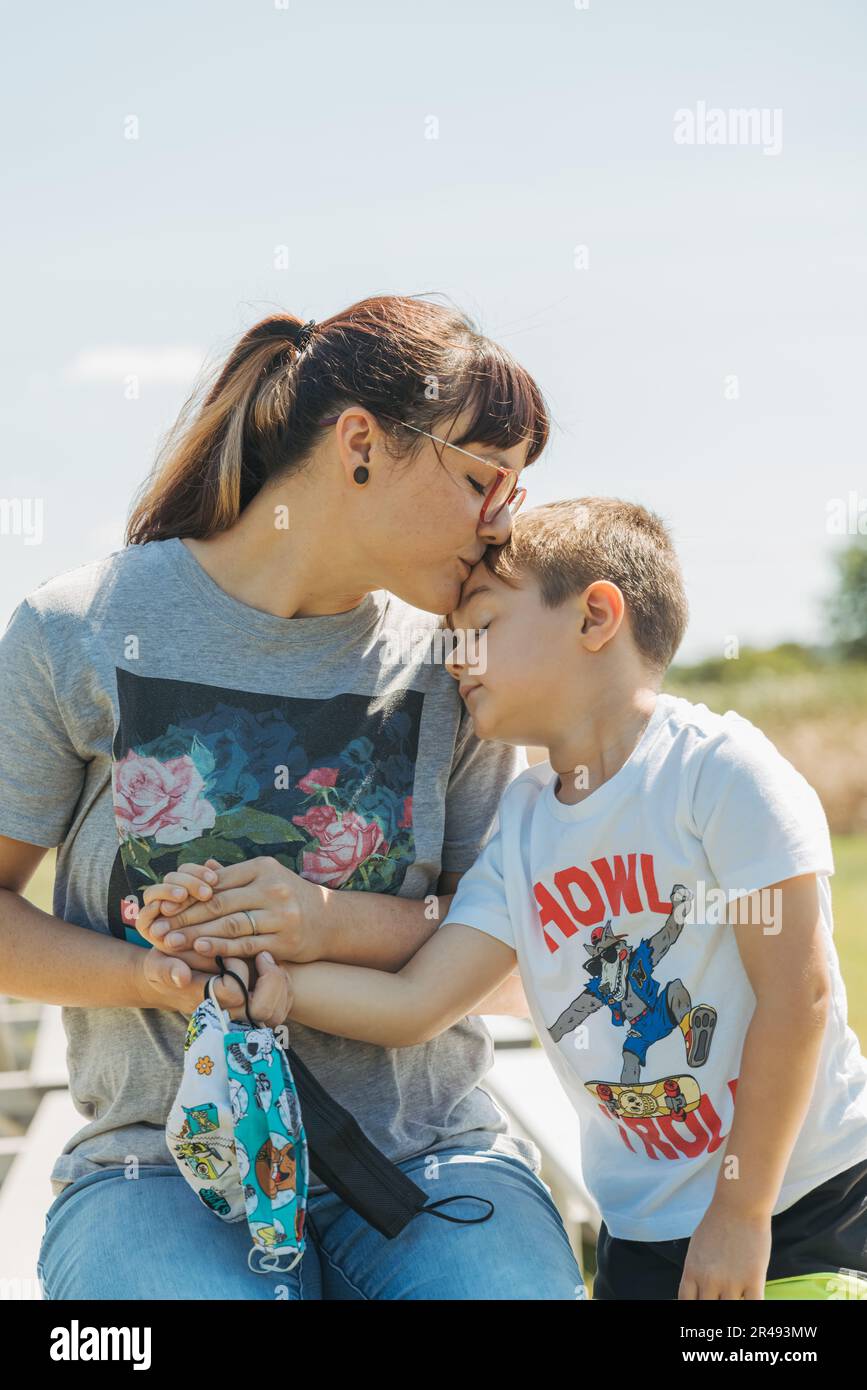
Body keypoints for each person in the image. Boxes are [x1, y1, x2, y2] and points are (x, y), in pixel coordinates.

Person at [0, 296, 586, 1300]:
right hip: (157, 1171)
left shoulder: (462, 666)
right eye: (488, 479)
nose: (505, 525)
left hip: (428, 1159)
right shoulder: (74, 631)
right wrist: (161, 977)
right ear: (362, 443)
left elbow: (500, 940)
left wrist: (325, 922)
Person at [185, 496, 867, 1300]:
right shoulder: (525, 821)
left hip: (794, 1205)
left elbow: (801, 996)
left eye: (478, 626)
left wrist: (741, 1211)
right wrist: (279, 986)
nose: (452, 658)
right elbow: (418, 1000)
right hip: (642, 1228)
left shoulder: (720, 774)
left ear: (594, 617)